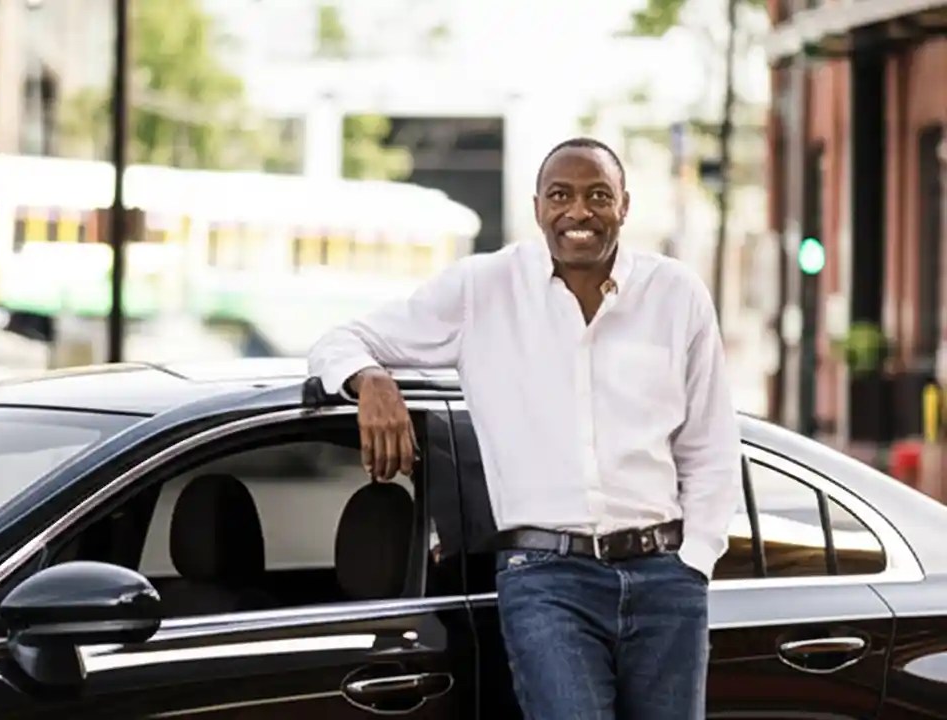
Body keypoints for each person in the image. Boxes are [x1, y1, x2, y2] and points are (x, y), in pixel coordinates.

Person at [306, 137, 741, 719]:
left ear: (625, 206)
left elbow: (710, 442)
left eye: (598, 196)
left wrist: (697, 561)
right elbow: (340, 340)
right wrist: (373, 381)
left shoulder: (676, 294)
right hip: (546, 581)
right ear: (538, 206)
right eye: (561, 195)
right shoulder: (482, 289)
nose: (579, 212)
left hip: (665, 576)